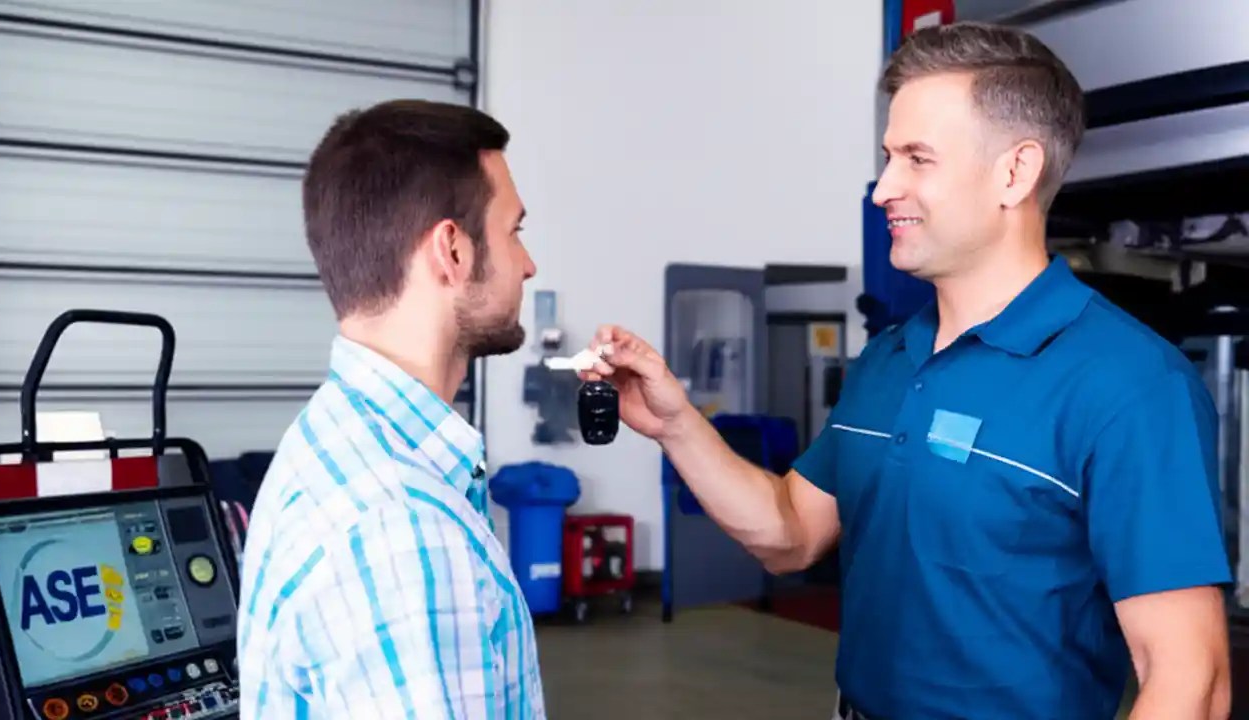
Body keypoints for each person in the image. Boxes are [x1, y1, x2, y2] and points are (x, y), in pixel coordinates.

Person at [579, 22, 1232, 720]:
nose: (884, 187)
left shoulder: (1129, 385)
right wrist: (677, 426)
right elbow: (790, 533)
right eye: (889, 157)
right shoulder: (888, 358)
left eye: (918, 159)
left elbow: (1189, 682)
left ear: (1014, 172)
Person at [237, 99, 543, 718]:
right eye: (514, 231)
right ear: (451, 251)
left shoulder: (332, 441)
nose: (528, 264)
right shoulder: (402, 530)